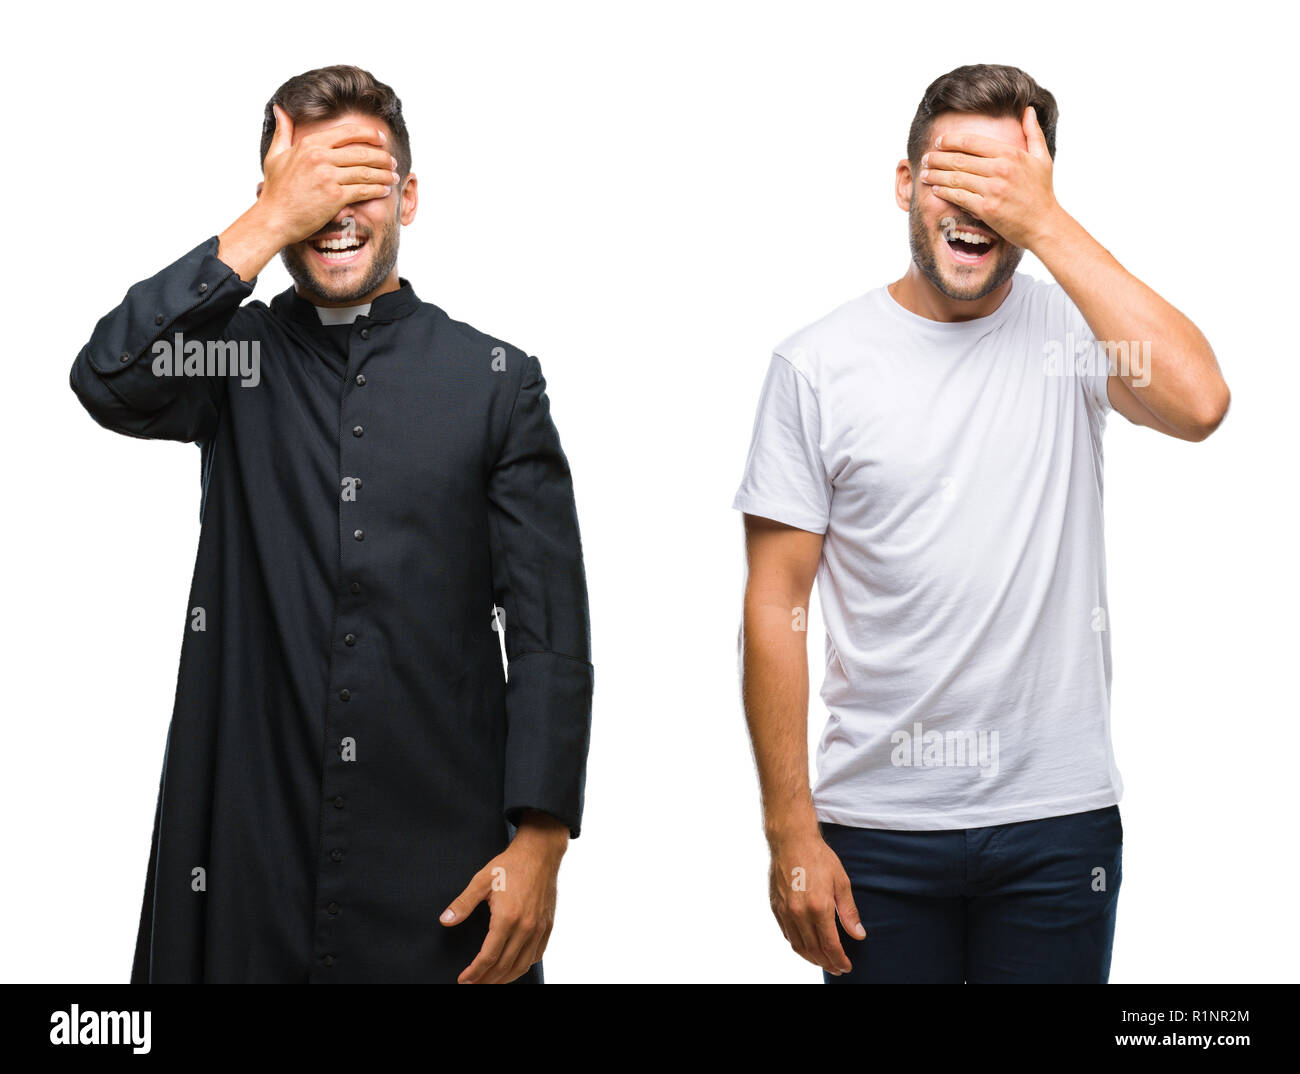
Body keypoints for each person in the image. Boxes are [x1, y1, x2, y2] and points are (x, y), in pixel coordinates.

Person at [70, 65, 593, 984]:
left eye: (362, 184)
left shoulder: (498, 381)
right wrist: (267, 221)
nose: (338, 213)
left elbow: (550, 635)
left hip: (442, 872)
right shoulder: (233, 357)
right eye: (315, 188)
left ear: (410, 197)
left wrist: (541, 841)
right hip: (248, 866)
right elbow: (107, 379)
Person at [734, 63, 1229, 983]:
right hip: (876, 832)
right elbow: (776, 604)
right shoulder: (815, 366)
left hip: (1056, 823)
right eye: (954, 173)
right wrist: (789, 830)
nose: (976, 201)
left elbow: (1199, 403)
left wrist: (1047, 222)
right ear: (904, 184)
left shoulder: (1075, 332)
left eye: (1005, 182)